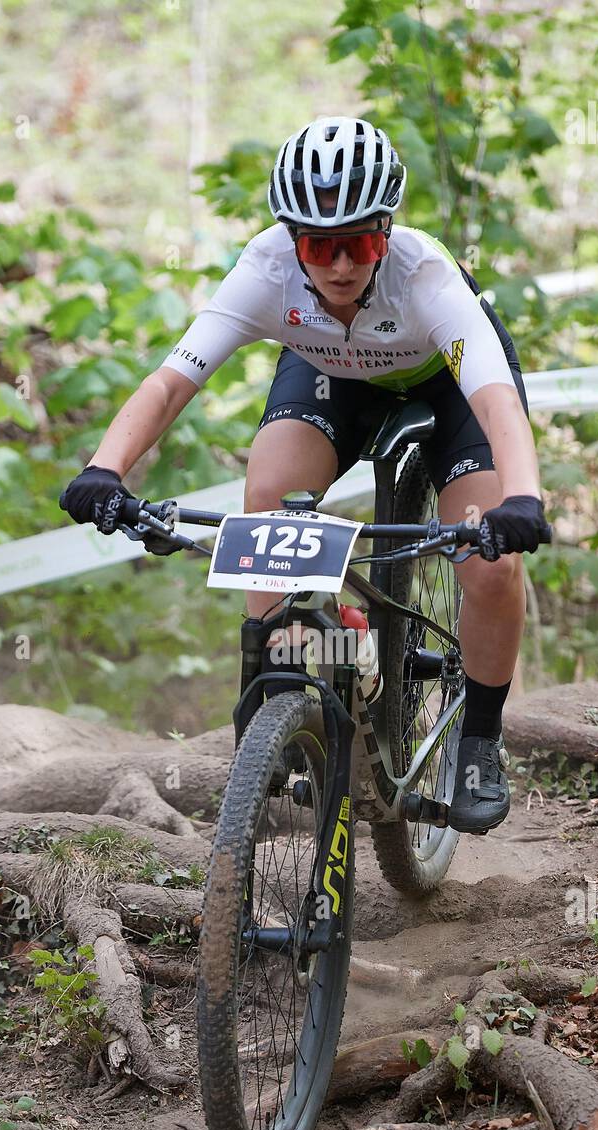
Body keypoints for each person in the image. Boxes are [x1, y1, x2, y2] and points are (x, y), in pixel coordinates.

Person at [60, 115, 551, 833]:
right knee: (268, 497)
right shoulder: (265, 270)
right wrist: (106, 468)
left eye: (360, 243)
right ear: (294, 241)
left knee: (489, 565)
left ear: (386, 233)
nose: (342, 264)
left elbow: (495, 398)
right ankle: (272, 681)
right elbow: (172, 382)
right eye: (321, 245)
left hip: (449, 389)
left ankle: (478, 737)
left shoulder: (426, 278)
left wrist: (523, 498)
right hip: (332, 375)